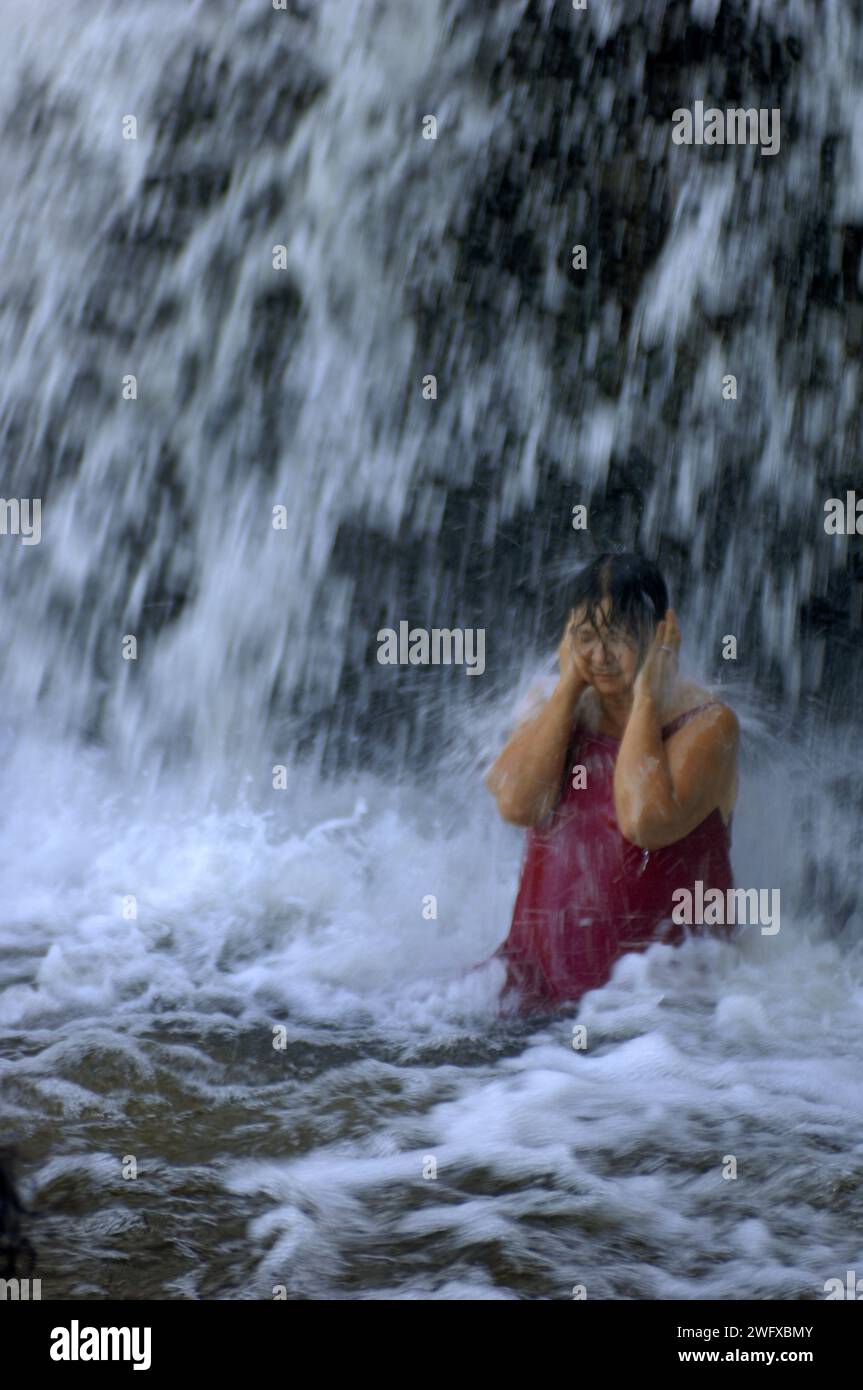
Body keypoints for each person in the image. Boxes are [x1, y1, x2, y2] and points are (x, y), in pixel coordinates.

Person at [485, 552, 739, 1014]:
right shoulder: (553, 706)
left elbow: (645, 821)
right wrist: (567, 689)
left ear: (660, 636)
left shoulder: (707, 724)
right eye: (586, 638)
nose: (600, 657)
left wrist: (645, 700)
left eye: (617, 639)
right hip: (533, 993)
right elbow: (517, 805)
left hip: (665, 1014)